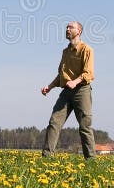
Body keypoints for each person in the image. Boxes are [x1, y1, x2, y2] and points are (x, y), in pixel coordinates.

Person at [40, 21, 96, 159]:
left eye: (71, 27)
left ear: (79, 31)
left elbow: (88, 73)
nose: (67, 29)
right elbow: (61, 75)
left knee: (85, 126)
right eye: (66, 27)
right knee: (54, 122)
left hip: (82, 90)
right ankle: (47, 157)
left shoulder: (87, 50)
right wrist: (50, 86)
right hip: (66, 92)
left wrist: (75, 81)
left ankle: (91, 160)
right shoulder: (65, 52)